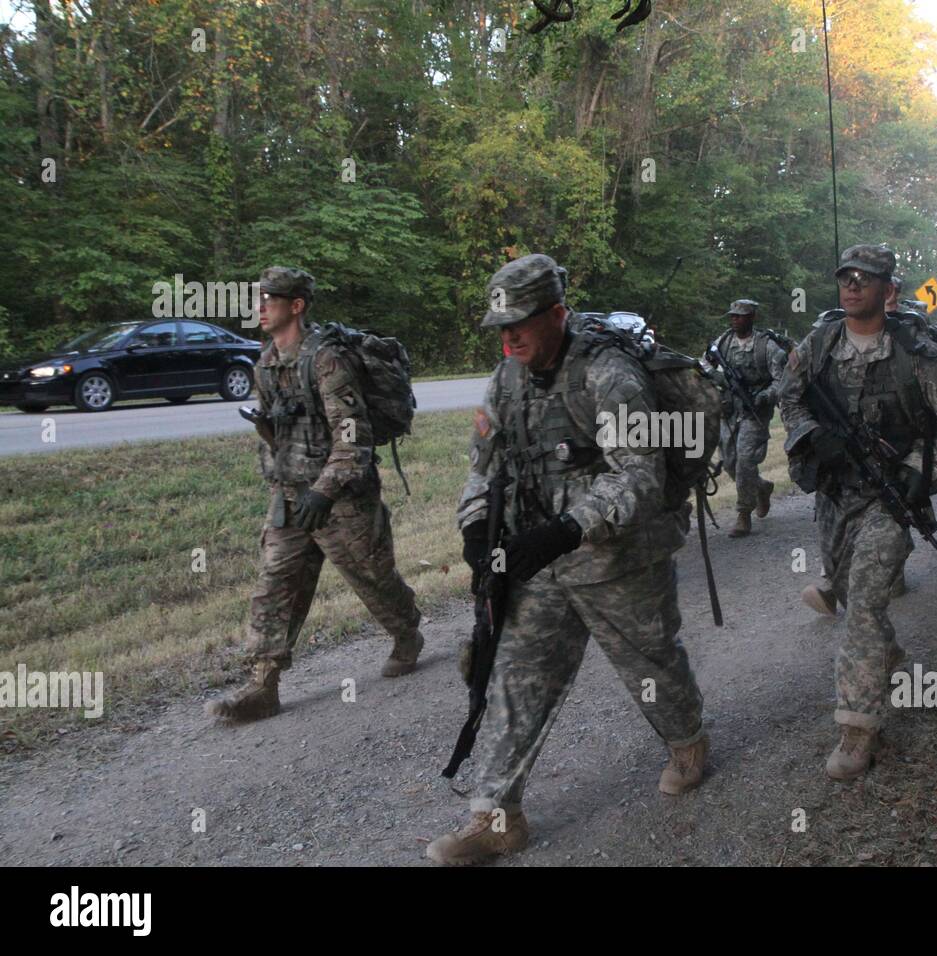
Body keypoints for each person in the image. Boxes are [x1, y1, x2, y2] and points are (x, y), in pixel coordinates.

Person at [430, 254, 707, 865]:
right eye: (501, 328)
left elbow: (639, 476)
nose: (509, 338)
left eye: (520, 324)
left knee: (652, 667)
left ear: (557, 312)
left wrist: (567, 528)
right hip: (541, 562)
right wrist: (475, 528)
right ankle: (497, 816)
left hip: (620, 557)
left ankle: (687, 740)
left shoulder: (609, 375)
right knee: (515, 675)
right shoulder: (507, 378)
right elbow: (483, 467)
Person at [779, 243, 937, 779]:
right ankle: (884, 654)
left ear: (887, 290)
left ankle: (857, 727)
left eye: (864, 278)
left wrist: (920, 472)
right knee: (848, 592)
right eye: (845, 276)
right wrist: (810, 435)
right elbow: (789, 398)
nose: (851, 285)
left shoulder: (918, 353)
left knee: (864, 604)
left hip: (889, 497)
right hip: (835, 495)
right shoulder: (820, 342)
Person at [207, 267, 424, 722]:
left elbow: (354, 436)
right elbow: (279, 429)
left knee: (372, 576)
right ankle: (263, 684)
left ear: (297, 305)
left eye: (269, 299)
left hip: (342, 497)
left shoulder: (326, 360)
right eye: (257, 299)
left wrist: (324, 491)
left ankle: (407, 632)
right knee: (274, 585)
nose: (260, 307)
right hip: (290, 495)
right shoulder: (265, 362)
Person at [702, 299, 787, 537]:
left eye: (739, 316)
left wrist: (766, 396)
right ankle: (761, 487)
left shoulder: (766, 346)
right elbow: (704, 363)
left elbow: (782, 380)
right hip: (730, 408)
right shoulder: (723, 342)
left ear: (751, 317)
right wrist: (717, 378)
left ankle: (743, 513)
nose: (734, 319)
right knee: (730, 462)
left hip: (755, 409)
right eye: (732, 316)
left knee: (745, 460)